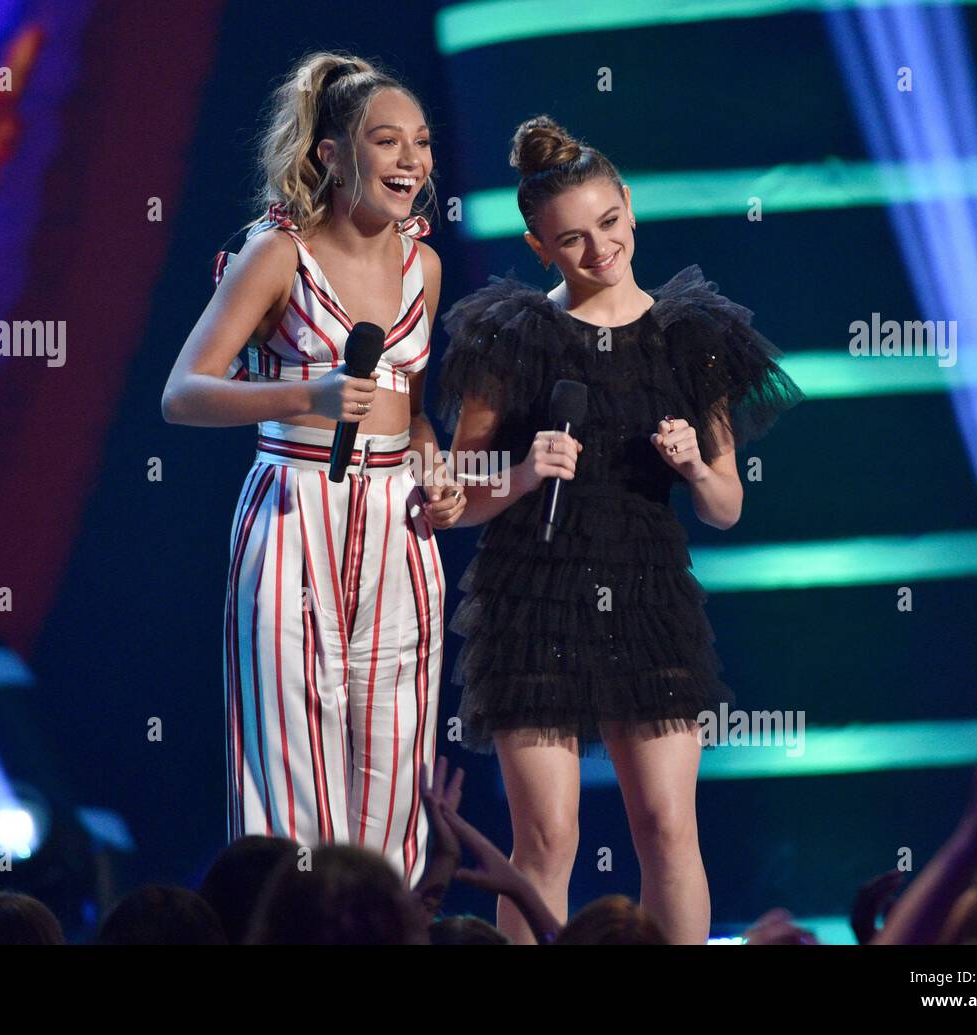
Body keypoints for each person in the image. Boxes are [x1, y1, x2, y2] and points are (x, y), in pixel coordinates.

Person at [436, 115, 804, 943]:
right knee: (547, 837)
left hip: (648, 597)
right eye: (572, 240)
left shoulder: (690, 336)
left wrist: (697, 468)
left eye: (608, 224)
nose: (600, 250)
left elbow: (726, 505)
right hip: (533, 597)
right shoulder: (513, 335)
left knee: (669, 827)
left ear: (630, 207)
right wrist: (524, 474)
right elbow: (455, 491)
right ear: (540, 248)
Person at [161, 52, 465, 889]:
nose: (412, 162)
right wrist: (308, 395)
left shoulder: (424, 267)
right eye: (388, 142)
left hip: (399, 529)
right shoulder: (277, 253)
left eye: (423, 144)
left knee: (394, 771)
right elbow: (181, 394)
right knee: (292, 773)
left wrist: (435, 468)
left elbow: (415, 407)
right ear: (332, 153)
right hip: (294, 515)